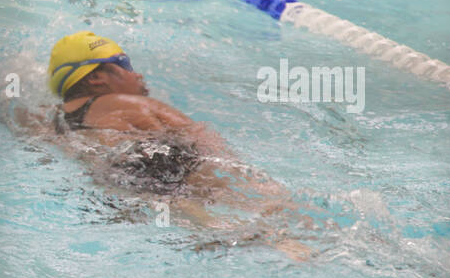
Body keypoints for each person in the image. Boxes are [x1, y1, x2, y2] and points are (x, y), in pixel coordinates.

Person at [38, 30, 317, 259]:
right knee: (276, 202)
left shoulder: (56, 119)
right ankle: (299, 244)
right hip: (156, 157)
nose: (138, 75)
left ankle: (220, 232)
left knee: (183, 207)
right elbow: (198, 136)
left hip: (112, 179)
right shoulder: (131, 103)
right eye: (125, 65)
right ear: (96, 77)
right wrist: (237, 170)